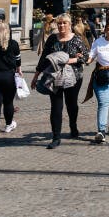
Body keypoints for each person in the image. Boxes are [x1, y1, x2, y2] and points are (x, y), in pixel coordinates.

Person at [30, 13, 88, 149]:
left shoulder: (77, 39)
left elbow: (86, 57)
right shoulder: (52, 39)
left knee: (71, 104)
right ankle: (56, 137)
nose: (62, 25)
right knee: (56, 106)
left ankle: (73, 127)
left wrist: (72, 60)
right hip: (54, 77)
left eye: (64, 23)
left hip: (74, 78)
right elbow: (44, 58)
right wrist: (36, 75)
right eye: (59, 23)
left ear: (70, 25)